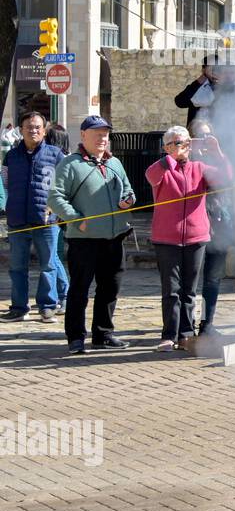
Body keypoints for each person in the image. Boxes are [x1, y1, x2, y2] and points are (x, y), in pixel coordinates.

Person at [47, 116, 136, 355]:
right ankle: (76, 337)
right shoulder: (70, 164)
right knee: (79, 290)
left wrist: (129, 200)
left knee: (110, 288)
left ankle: (103, 334)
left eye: (105, 134)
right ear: (83, 135)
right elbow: (55, 197)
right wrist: (76, 219)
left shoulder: (115, 163)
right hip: (83, 240)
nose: (102, 138)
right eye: (97, 133)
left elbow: (128, 189)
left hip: (115, 237)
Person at [145, 125, 231, 351]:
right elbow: (151, 175)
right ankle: (168, 335)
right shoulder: (163, 169)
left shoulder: (199, 167)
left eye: (185, 142)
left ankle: (186, 333)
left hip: (196, 237)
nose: (184, 146)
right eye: (176, 142)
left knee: (189, 290)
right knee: (171, 289)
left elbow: (226, 178)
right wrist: (171, 157)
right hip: (167, 237)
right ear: (166, 147)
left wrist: (216, 152)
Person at [2, 112, 66, 323]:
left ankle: (47, 306)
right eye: (29, 127)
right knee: (17, 267)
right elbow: (6, 182)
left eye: (38, 127)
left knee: (48, 266)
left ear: (45, 130)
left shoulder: (56, 154)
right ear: (21, 130)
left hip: (46, 220)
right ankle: (19, 307)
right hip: (18, 219)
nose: (33, 130)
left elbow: (63, 185)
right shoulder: (11, 156)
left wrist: (55, 209)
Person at [189, 119, 233, 336]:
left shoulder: (219, 158)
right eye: (198, 135)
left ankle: (207, 324)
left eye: (207, 135)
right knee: (189, 282)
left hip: (218, 224)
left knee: (213, 280)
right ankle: (185, 326)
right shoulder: (184, 159)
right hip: (193, 226)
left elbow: (227, 178)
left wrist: (217, 152)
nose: (203, 140)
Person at [174, 54, 224, 127]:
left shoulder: (226, 86)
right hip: (197, 133)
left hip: (220, 132)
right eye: (212, 67)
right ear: (204, 69)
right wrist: (201, 80)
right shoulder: (197, 87)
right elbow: (180, 102)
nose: (215, 70)